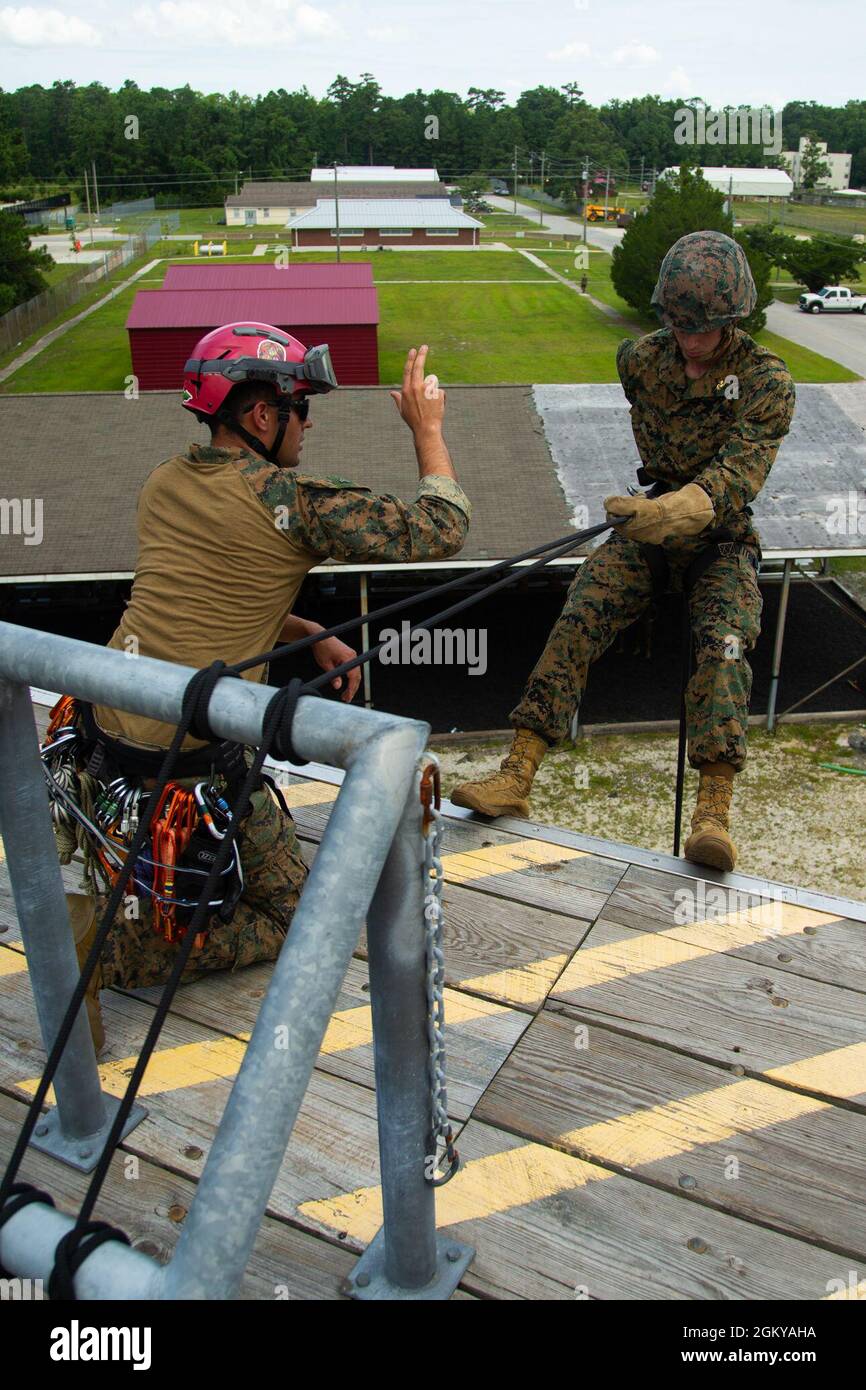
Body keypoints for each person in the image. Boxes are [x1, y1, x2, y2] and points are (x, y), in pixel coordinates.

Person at [58, 325, 470, 1048]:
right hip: (181, 776)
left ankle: (124, 909)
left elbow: (209, 588)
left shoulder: (164, 481)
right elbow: (442, 526)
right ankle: (105, 952)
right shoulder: (293, 500)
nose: (308, 426)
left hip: (97, 736)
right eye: (301, 410)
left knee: (234, 883)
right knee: (296, 916)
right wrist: (426, 428)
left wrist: (307, 629)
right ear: (260, 416)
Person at [452, 230, 795, 874]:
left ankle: (714, 811)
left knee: (725, 643)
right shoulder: (638, 360)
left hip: (718, 537)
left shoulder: (764, 380)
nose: (689, 341)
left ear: (732, 319)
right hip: (645, 531)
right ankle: (517, 772)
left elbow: (736, 479)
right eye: (677, 324)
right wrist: (650, 512)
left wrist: (666, 513)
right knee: (579, 614)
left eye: (704, 328)